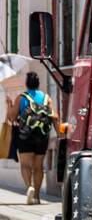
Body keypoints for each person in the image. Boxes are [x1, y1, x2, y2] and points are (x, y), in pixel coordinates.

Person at [5, 72, 62, 205]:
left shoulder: (21, 98)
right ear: (38, 84)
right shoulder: (46, 98)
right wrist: (60, 132)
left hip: (24, 135)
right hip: (42, 135)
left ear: (27, 83)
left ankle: (29, 187)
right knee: (38, 166)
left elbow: (11, 118)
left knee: (25, 165)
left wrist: (9, 105)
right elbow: (54, 116)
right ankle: (36, 195)